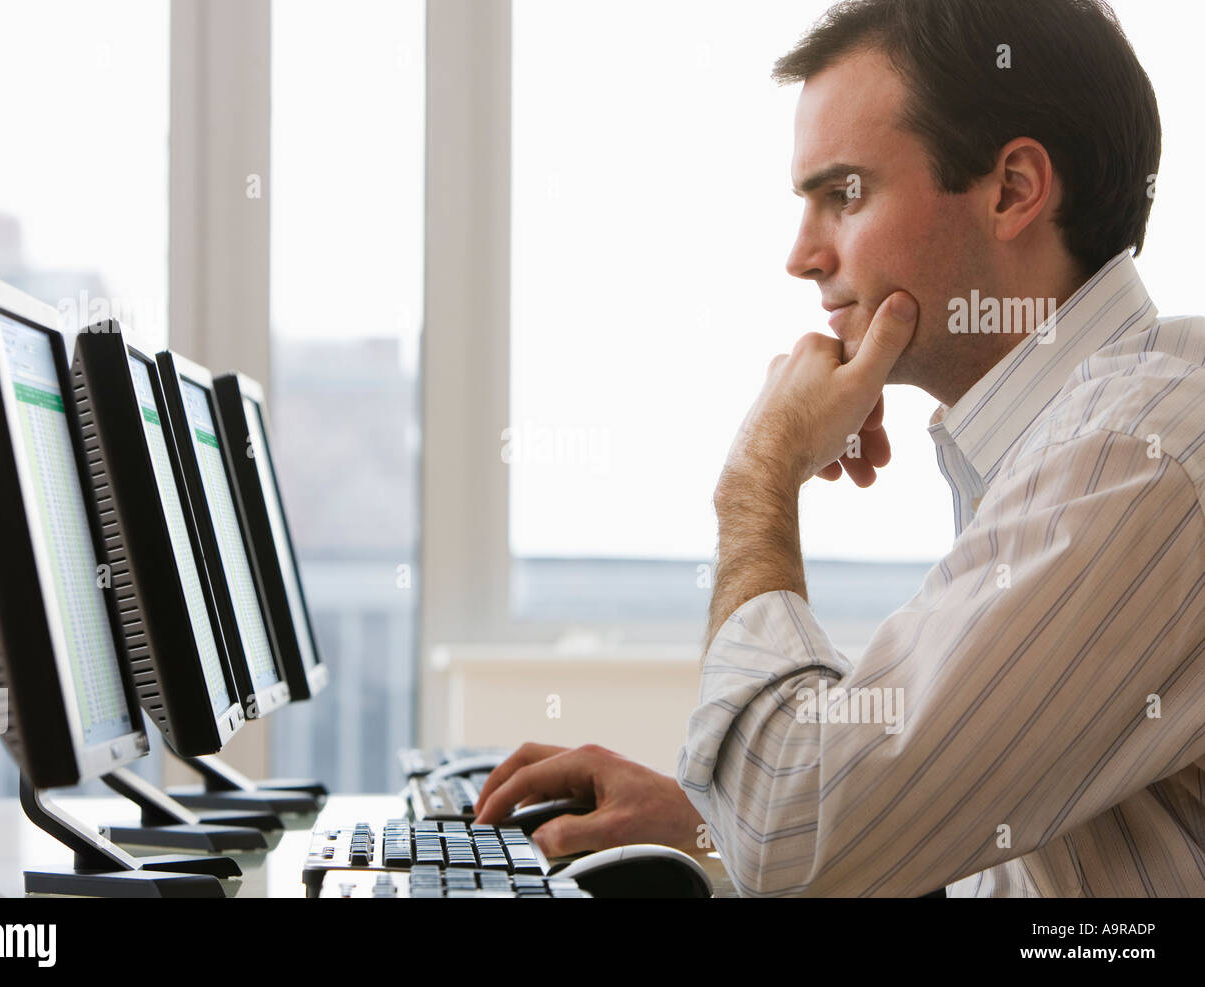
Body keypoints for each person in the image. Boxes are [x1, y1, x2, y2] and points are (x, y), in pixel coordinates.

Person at [474, 0, 1205, 896]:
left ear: (1013, 189)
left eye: (843, 194)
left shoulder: (1136, 460)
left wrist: (759, 475)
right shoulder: (1086, 438)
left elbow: (795, 838)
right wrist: (711, 831)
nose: (803, 255)